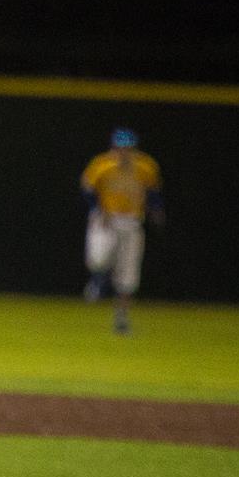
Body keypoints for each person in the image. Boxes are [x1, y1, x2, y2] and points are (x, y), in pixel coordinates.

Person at [80, 127, 164, 335]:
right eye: (120, 148)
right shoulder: (102, 164)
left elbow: (153, 192)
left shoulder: (146, 166)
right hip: (106, 218)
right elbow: (87, 187)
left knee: (128, 274)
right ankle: (99, 279)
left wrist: (156, 211)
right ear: (113, 148)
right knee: (98, 258)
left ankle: (121, 318)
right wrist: (98, 210)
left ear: (134, 149)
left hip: (132, 221)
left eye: (128, 148)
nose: (124, 152)